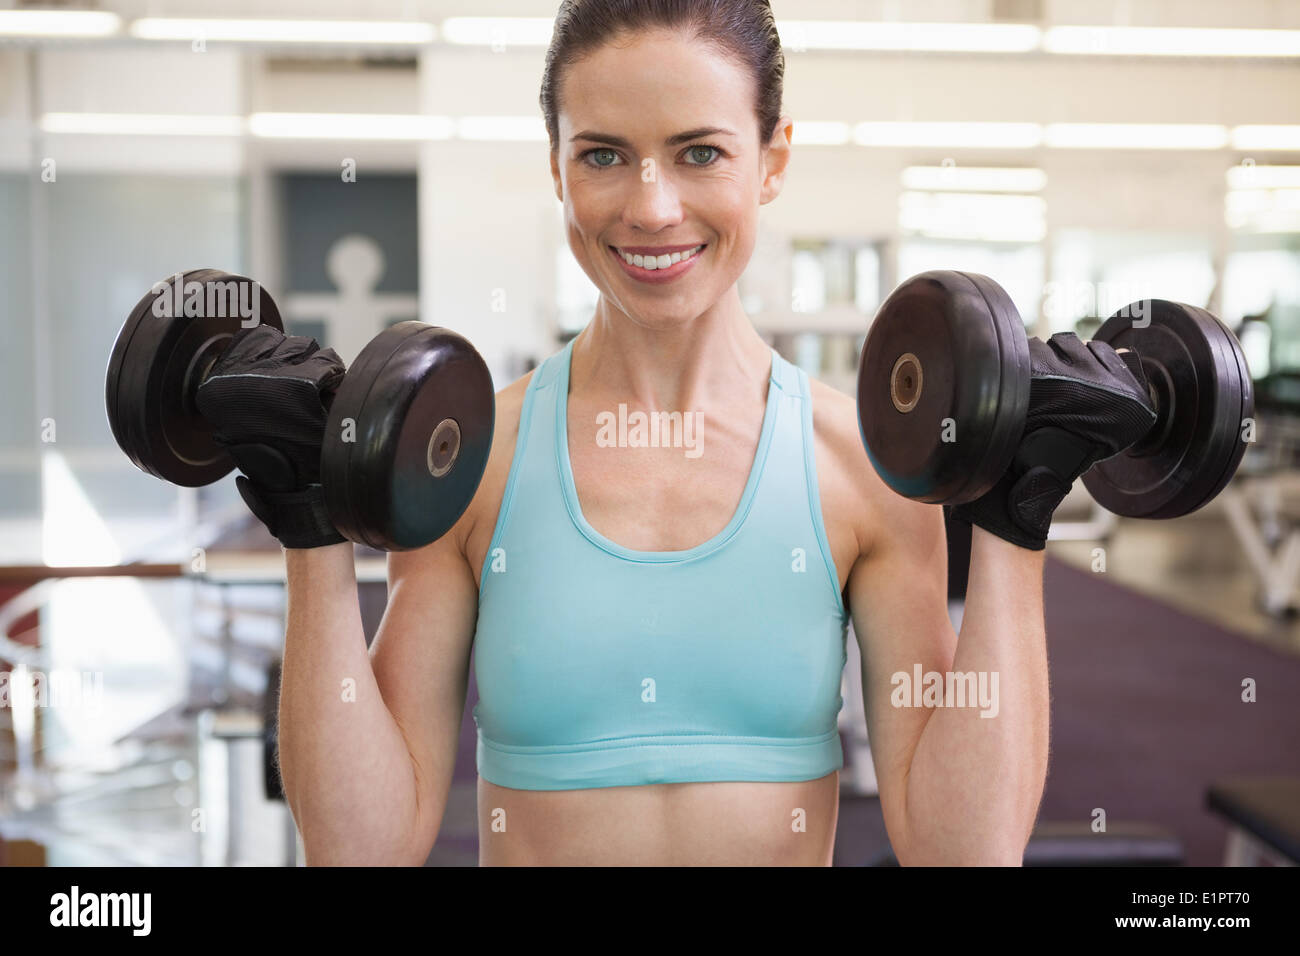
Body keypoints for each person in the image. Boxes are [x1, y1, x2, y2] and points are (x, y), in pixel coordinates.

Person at [206, 0, 1155, 865]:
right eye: (604, 154)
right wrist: (311, 528)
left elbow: (963, 850)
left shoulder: (857, 470)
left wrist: (1014, 524)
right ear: (557, 167)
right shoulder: (477, 456)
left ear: (772, 159)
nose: (651, 207)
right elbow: (365, 848)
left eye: (700, 152)